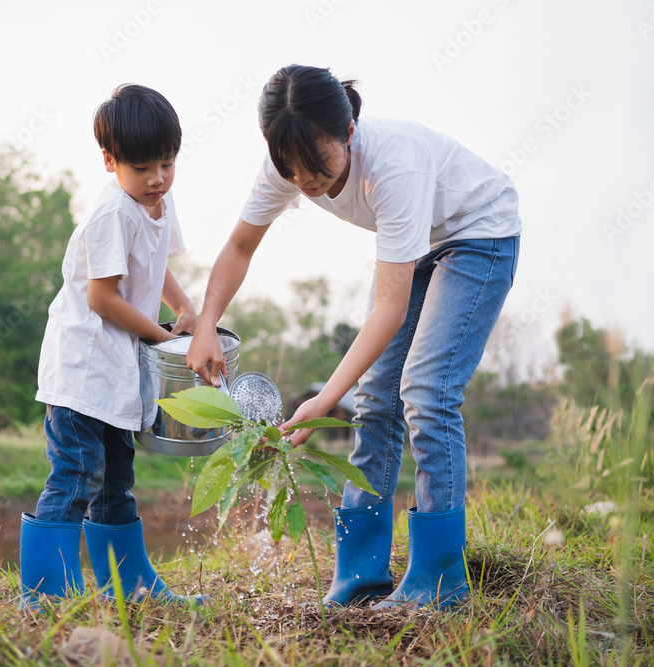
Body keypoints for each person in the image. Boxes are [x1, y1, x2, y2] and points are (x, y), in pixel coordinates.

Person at [186, 65, 520, 609]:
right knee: (375, 399)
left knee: (426, 393)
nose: (305, 180)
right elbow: (240, 248)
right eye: (289, 168)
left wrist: (324, 399)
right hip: (416, 244)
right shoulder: (287, 160)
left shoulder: (393, 165)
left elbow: (388, 309)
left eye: (317, 164)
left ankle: (441, 581)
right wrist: (205, 325)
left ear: (349, 130)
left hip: (478, 233)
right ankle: (360, 575)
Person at [20, 84, 200, 610]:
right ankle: (46, 593)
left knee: (116, 480)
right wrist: (163, 337)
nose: (157, 178)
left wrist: (184, 307)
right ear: (109, 161)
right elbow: (102, 297)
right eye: (143, 167)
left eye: (167, 163)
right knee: (78, 474)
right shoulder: (110, 214)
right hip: (81, 368)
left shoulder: (158, 203)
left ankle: (130, 585)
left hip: (117, 369)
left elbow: (157, 260)